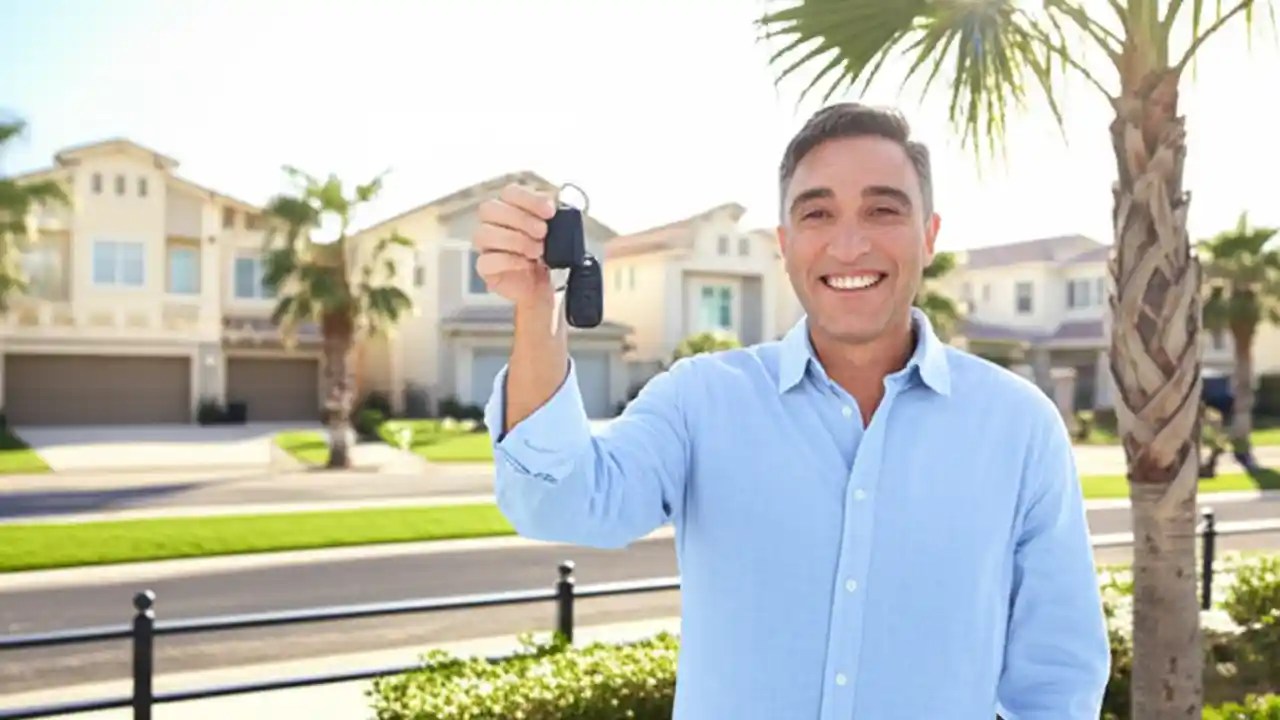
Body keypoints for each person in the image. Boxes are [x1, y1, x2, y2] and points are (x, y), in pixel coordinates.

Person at [471, 102, 1110, 719]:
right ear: (785, 243)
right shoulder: (699, 401)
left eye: (883, 210)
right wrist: (537, 307)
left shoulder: (1019, 427)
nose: (849, 245)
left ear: (929, 236)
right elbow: (558, 500)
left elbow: (1057, 679)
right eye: (818, 214)